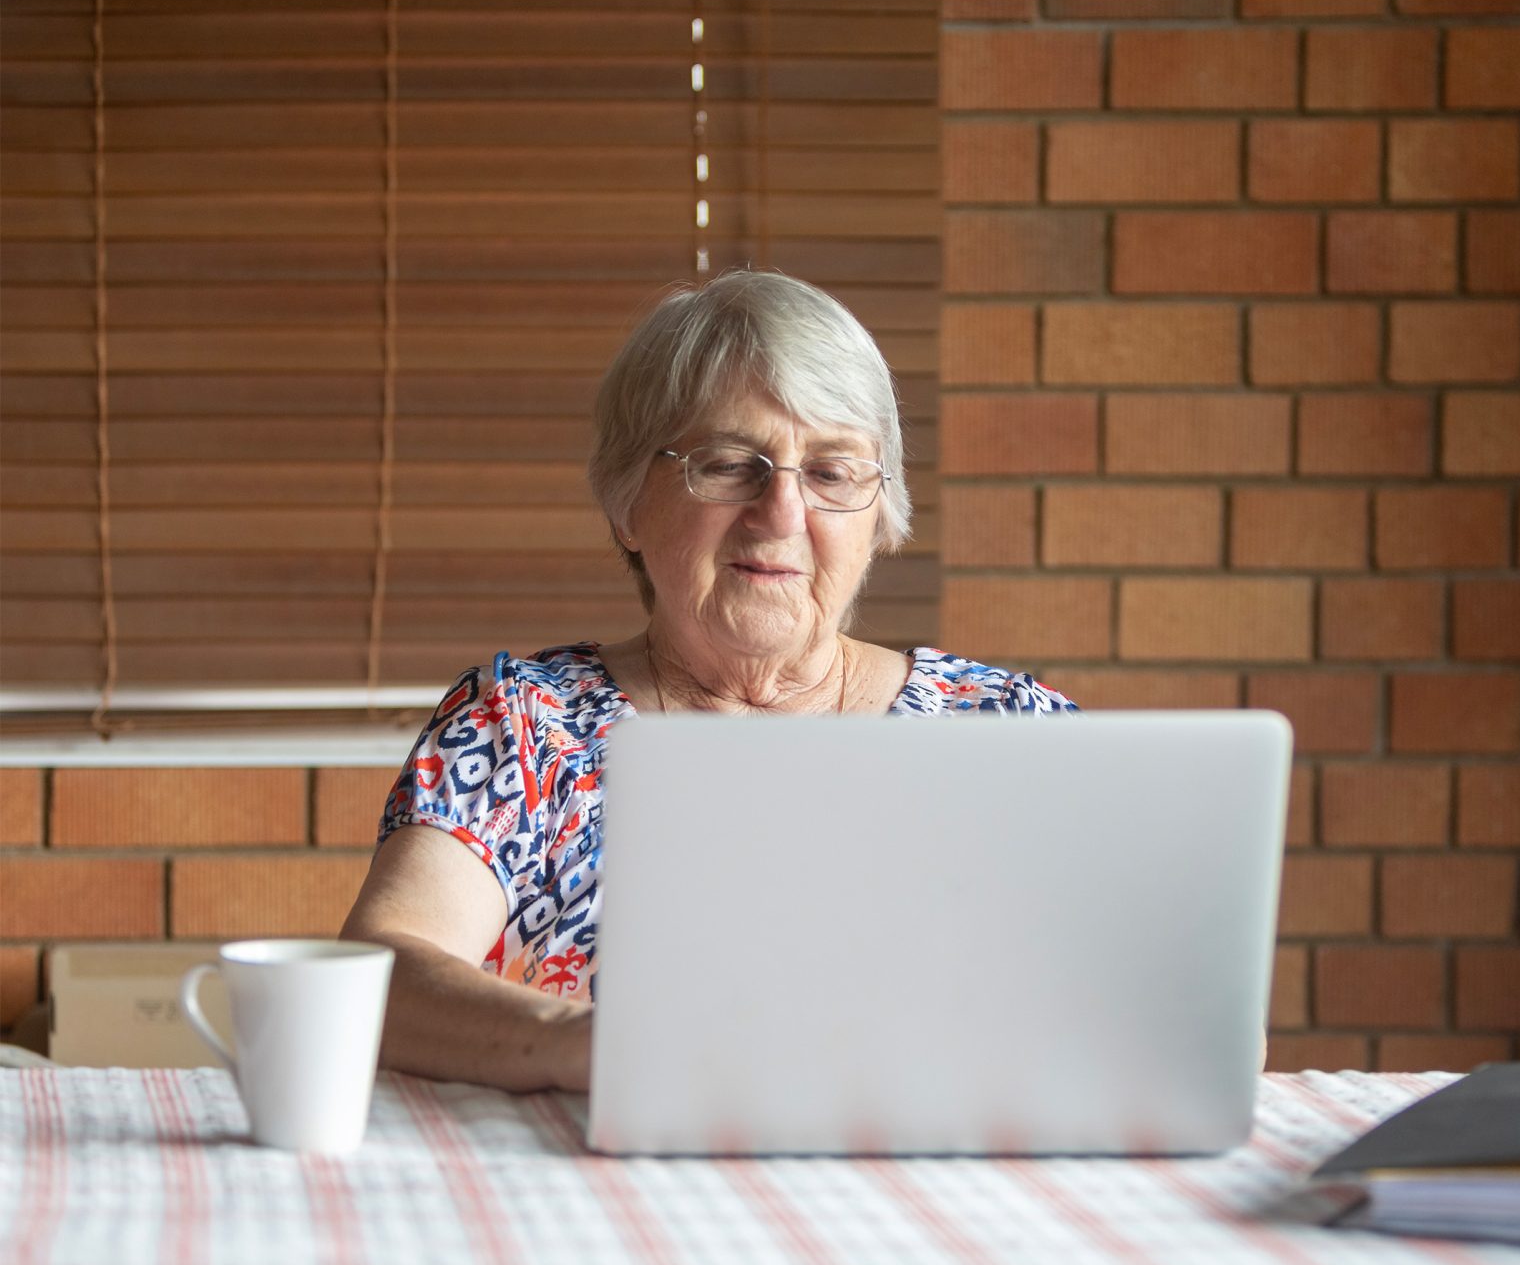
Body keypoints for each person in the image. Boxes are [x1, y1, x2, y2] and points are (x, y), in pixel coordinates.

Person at [339, 271, 1077, 1093]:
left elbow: (1126, 982)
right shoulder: (523, 727)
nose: (782, 513)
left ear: (880, 516)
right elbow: (383, 974)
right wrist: (600, 1048)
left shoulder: (1012, 732)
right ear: (628, 504)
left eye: (833, 473)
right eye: (730, 464)